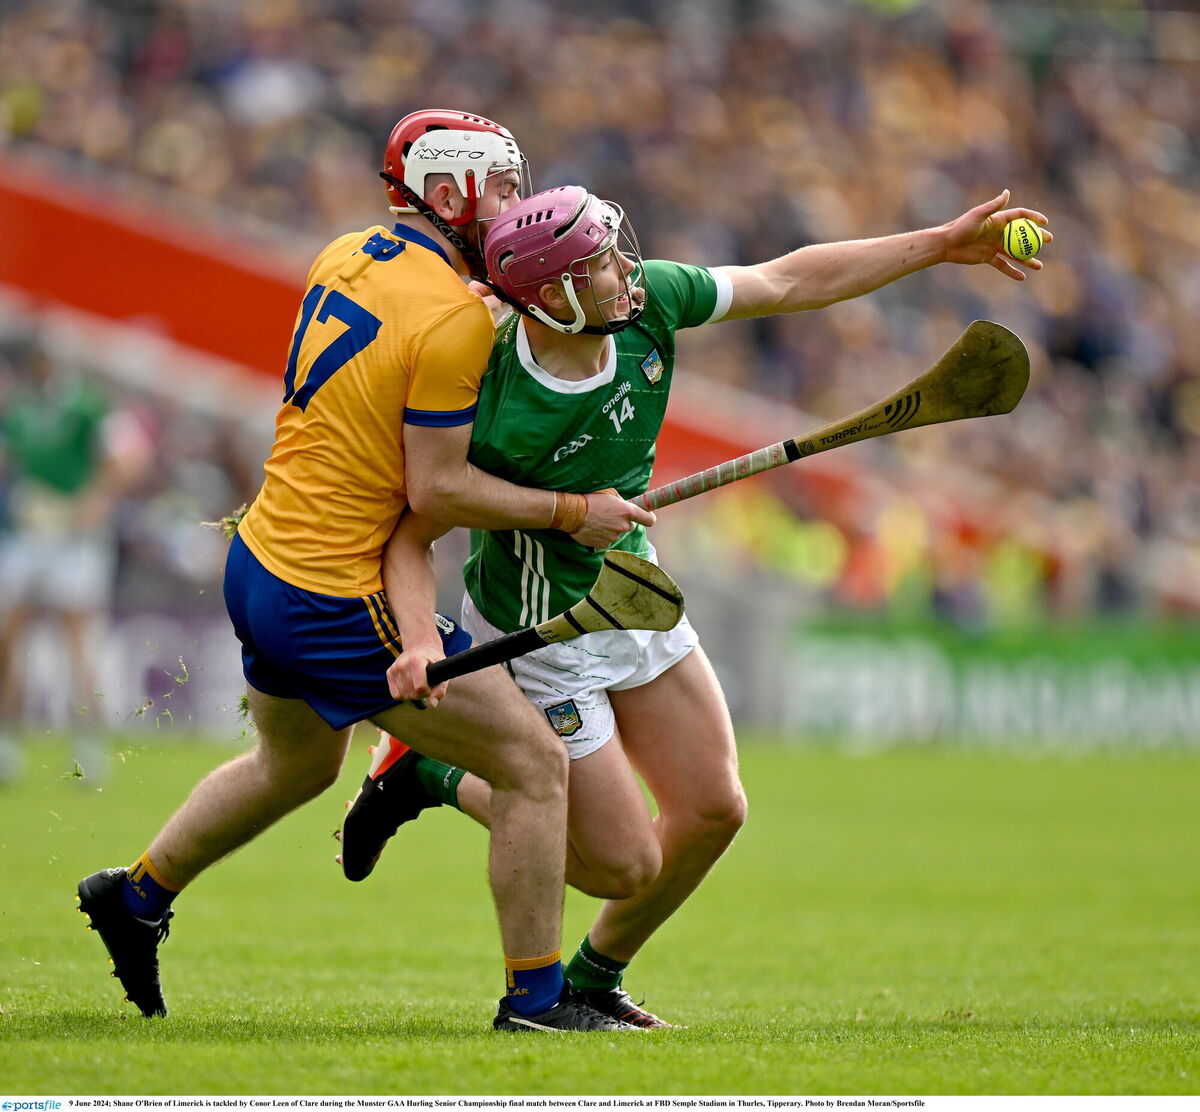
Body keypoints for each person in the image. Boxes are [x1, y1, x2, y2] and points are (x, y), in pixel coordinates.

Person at [337, 183, 1053, 1026]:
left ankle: (595, 980)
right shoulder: (488, 383)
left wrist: (939, 243)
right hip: (543, 633)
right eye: (601, 265)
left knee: (715, 809)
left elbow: (787, 280)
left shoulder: (650, 305)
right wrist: (567, 514)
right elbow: (417, 523)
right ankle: (432, 771)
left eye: (615, 250)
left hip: (635, 598)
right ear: (554, 298)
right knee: (620, 865)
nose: (625, 271)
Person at [76, 112, 654, 1034]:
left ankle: (135, 896)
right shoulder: (454, 318)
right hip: (336, 591)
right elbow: (437, 489)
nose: (516, 204)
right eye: (504, 188)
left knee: (294, 767)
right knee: (533, 763)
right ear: (451, 195)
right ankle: (538, 1001)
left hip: (261, 558)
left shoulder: (344, 252)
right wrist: (570, 510)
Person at [0, 339, 150, 785]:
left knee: (78, 640)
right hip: (28, 535)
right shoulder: (20, 409)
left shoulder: (87, 404)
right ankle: (8, 743)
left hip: (75, 540)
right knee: (9, 639)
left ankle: (88, 747)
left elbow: (131, 457)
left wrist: (96, 498)